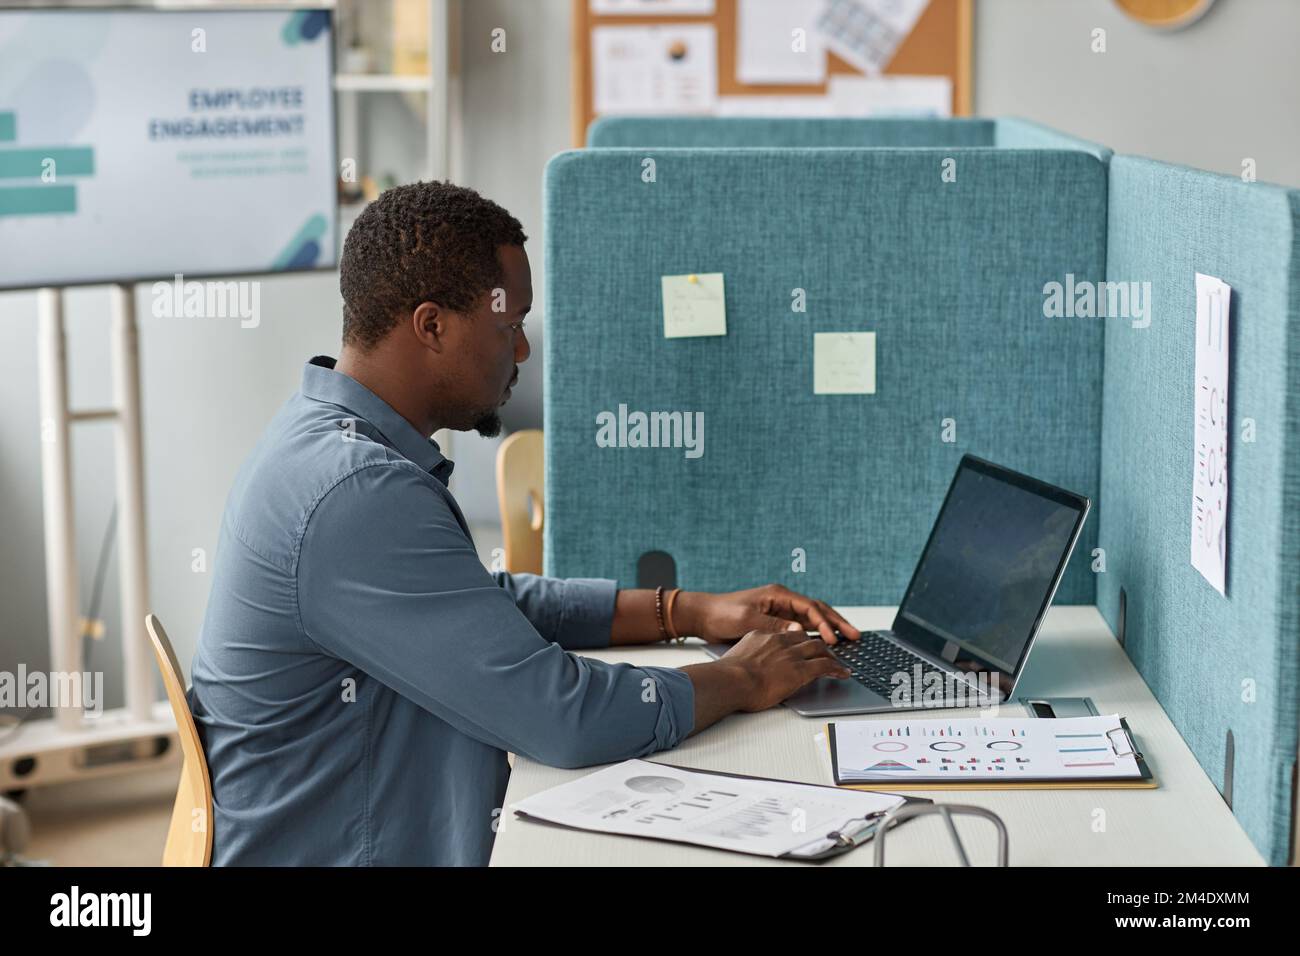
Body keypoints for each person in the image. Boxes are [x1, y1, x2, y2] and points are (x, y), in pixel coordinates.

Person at [190, 180, 859, 866]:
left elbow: (471, 605)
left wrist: (685, 609)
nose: (522, 354)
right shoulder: (356, 494)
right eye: (509, 327)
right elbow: (560, 716)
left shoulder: (322, 439)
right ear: (432, 325)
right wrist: (742, 679)